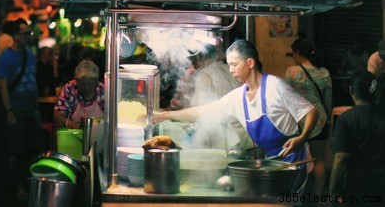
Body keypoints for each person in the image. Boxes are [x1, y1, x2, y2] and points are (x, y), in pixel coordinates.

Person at [153, 40, 318, 190]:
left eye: (234, 65)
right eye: (229, 64)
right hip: (272, 165)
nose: (230, 70)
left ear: (250, 63)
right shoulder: (238, 96)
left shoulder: (275, 87)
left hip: (295, 163)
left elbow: (311, 111)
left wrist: (302, 137)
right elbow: (203, 111)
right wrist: (166, 115)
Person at [0, 18, 42, 202]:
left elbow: (34, 80)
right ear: (15, 36)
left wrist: (37, 106)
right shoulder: (6, 57)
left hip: (31, 108)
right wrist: (9, 111)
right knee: (16, 150)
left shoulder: (30, 54)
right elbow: (2, 86)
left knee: (36, 146)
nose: (29, 36)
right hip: (16, 109)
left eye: (29, 33)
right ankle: (18, 186)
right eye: (25, 33)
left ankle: (31, 182)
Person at [284, 37, 332, 196]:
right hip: (320, 121)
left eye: (293, 54)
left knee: (298, 159)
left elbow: (285, 99)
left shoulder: (292, 72)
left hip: (298, 122)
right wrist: (328, 121)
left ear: (298, 53)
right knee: (319, 161)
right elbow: (328, 101)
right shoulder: (324, 72)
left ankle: (298, 195)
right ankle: (318, 199)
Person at [329, 70, 385, 205]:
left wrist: (332, 190)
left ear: (351, 91)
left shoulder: (346, 119)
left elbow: (341, 158)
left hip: (357, 185)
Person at [53, 59, 105, 129]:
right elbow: (57, 116)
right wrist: (74, 126)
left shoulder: (103, 91)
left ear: (96, 81)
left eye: (90, 84)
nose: (87, 88)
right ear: (76, 81)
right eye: (83, 84)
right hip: (74, 134)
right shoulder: (69, 89)